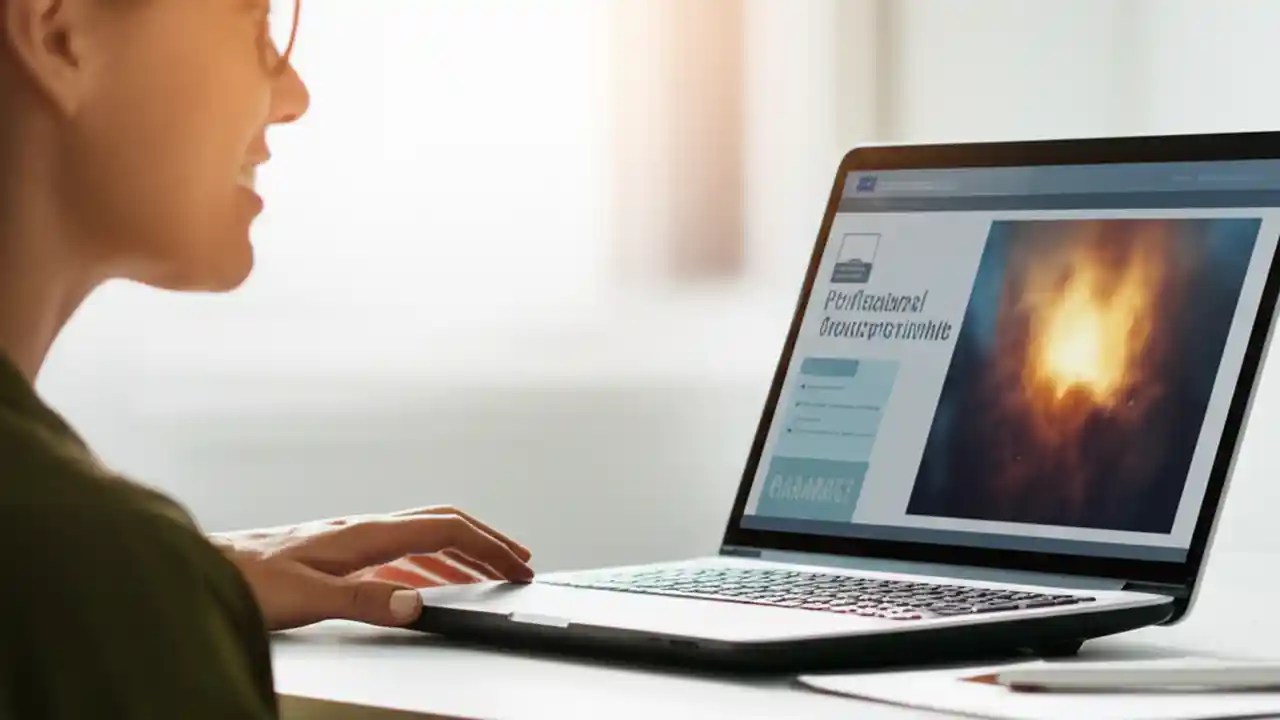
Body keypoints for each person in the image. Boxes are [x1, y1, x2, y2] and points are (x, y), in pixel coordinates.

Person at [0, 0, 535, 716]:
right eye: (255, 24)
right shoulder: (87, 575)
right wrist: (137, 587)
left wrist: (172, 575)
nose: (293, 95)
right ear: (59, 36)